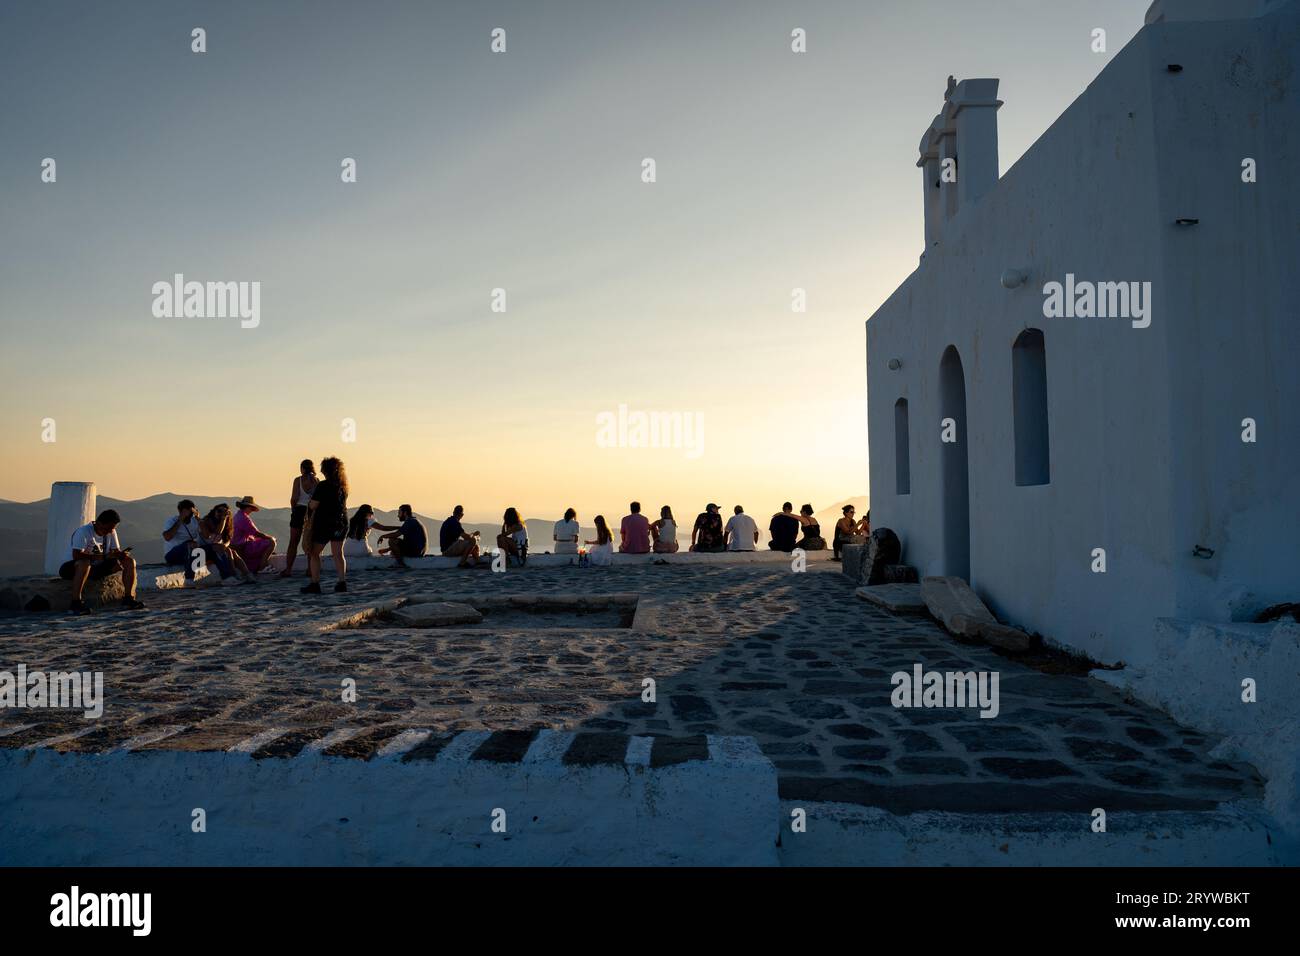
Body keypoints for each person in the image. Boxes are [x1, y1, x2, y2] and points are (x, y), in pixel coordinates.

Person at [60, 509, 145, 614]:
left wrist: (120, 555)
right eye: (108, 528)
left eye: (112, 528)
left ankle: (128, 599)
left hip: (96, 567)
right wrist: (104, 557)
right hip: (73, 568)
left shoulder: (111, 532)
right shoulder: (84, 531)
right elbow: (77, 555)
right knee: (84, 562)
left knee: (129, 561)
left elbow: (115, 551)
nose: (110, 531)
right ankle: (75, 603)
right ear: (99, 523)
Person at [302, 456, 349, 594]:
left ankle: (315, 584)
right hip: (341, 523)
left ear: (325, 470)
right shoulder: (343, 487)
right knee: (338, 554)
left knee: (314, 553)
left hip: (324, 523)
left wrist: (309, 504)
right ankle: (342, 582)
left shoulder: (323, 486)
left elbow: (314, 505)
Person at [199, 503, 256, 584]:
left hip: (217, 548)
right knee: (228, 551)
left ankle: (247, 574)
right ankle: (233, 574)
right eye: (219, 511)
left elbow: (228, 540)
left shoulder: (227, 524)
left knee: (233, 552)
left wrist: (224, 545)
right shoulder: (207, 521)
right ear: (214, 511)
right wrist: (223, 519)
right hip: (205, 549)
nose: (221, 514)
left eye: (224, 512)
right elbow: (217, 532)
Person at [280, 459, 318, 578]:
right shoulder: (317, 481)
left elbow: (294, 498)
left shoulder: (298, 480)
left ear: (302, 468)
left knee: (293, 542)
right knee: (309, 541)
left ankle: (288, 570)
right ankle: (310, 569)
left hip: (299, 510)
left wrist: (293, 510)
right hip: (312, 511)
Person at [162, 499, 210, 583]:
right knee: (190, 545)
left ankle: (228, 577)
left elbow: (207, 536)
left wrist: (198, 519)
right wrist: (180, 520)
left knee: (217, 548)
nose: (191, 513)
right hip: (172, 554)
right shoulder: (172, 521)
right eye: (190, 511)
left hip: (192, 551)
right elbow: (167, 537)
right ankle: (189, 579)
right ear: (183, 511)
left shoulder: (195, 521)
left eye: (193, 510)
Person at [232, 496, 276, 572]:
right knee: (271, 542)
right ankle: (263, 566)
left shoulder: (237, 516)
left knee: (261, 542)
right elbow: (256, 533)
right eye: (251, 508)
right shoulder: (244, 518)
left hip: (237, 545)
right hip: (242, 546)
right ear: (248, 507)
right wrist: (270, 537)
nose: (252, 511)